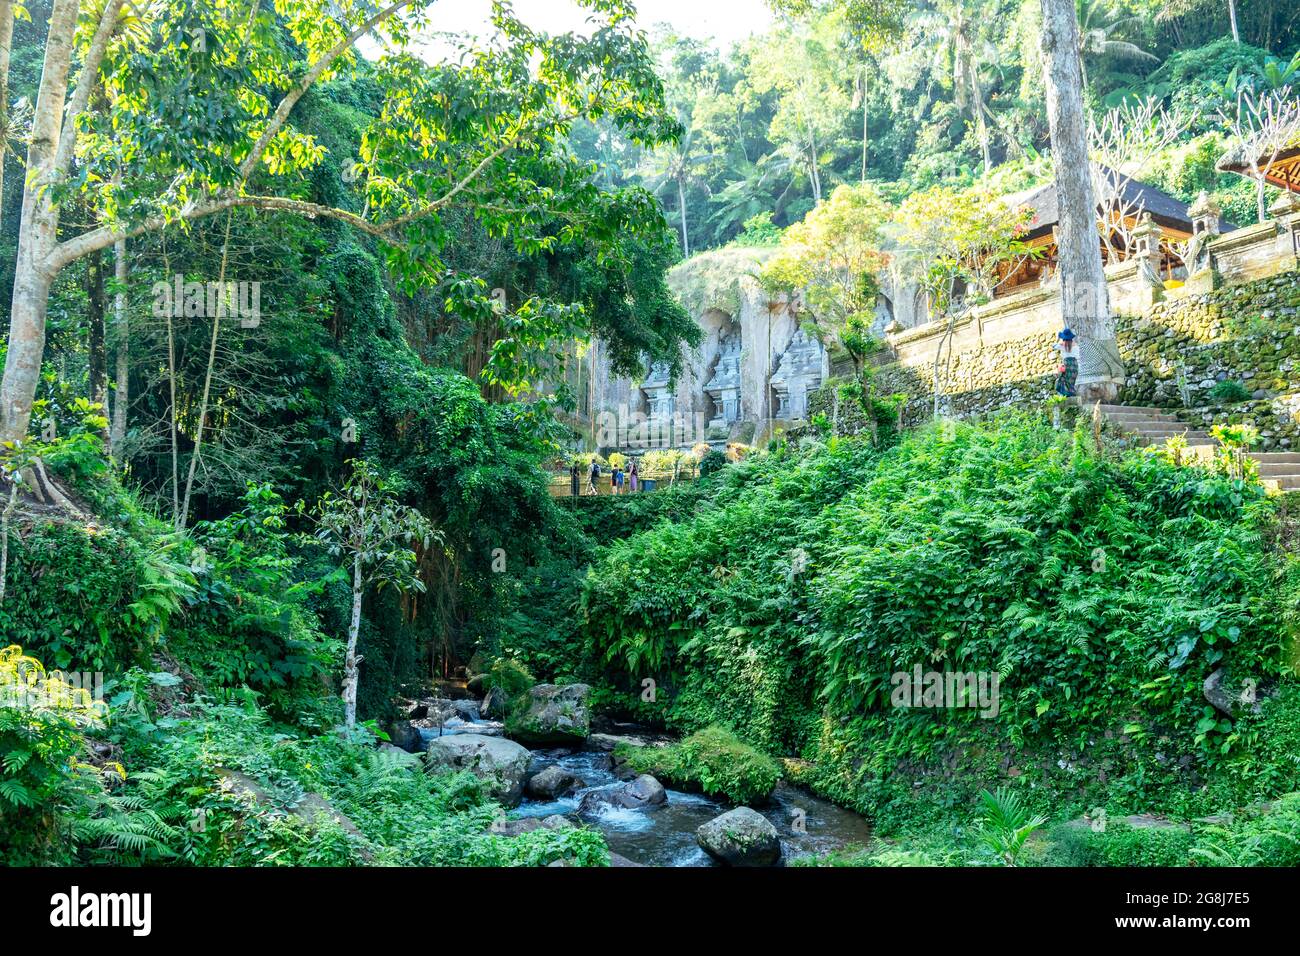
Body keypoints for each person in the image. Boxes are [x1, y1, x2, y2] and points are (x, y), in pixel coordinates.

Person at [1054, 328, 1078, 398]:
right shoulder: (1076, 345)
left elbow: (1053, 346)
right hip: (1075, 364)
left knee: (1063, 380)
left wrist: (1058, 340)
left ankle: (1067, 394)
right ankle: (1072, 393)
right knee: (1072, 381)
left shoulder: (1062, 346)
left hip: (1067, 364)